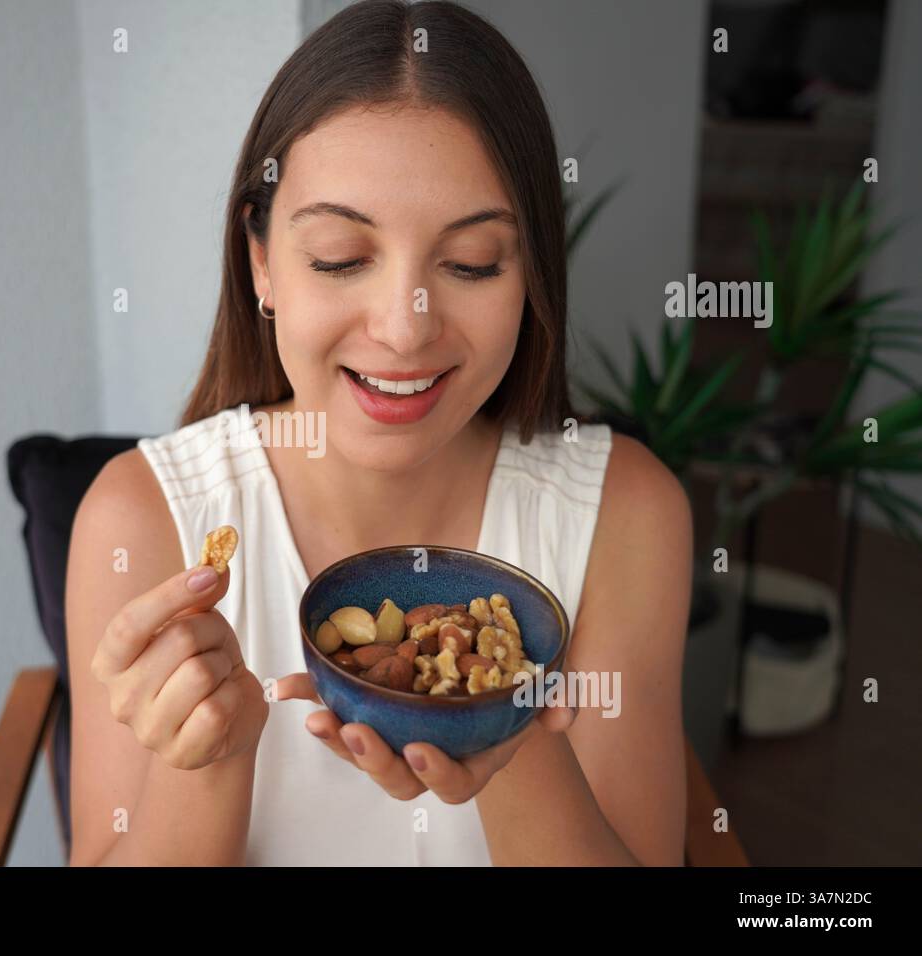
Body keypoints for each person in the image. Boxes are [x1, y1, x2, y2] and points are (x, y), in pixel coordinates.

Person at [65, 0, 691, 866]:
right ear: (261, 262)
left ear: (532, 272)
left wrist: (507, 734)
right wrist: (208, 761)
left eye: (470, 263)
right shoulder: (139, 519)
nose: (405, 328)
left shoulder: (626, 511)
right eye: (339, 257)